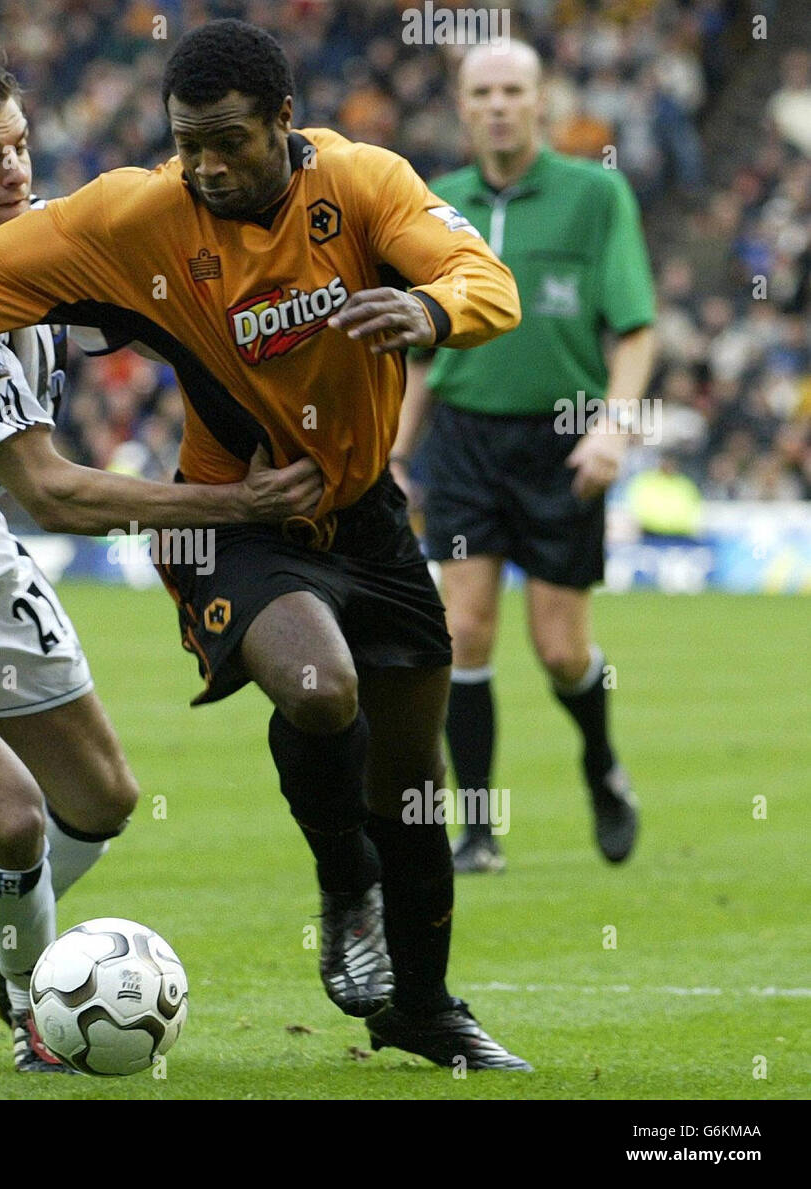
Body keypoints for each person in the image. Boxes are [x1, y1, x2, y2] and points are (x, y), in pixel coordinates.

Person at [0, 20, 532, 1069]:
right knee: (47, 800)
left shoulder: (348, 184)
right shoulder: (106, 228)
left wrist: (430, 309)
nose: (201, 166)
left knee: (140, 797)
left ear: (283, 124)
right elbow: (37, 472)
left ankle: (419, 1006)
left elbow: (483, 282)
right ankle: (43, 1012)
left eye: (17, 145)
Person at [389, 42, 657, 874]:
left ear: (542, 100)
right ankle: (477, 830)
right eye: (483, 92)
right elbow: (424, 351)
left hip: (560, 439)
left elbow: (636, 328)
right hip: (464, 439)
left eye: (514, 90)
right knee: (463, 631)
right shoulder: (438, 204)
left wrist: (611, 427)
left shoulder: (594, 192)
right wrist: (395, 453)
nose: (498, 104)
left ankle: (603, 770)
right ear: (463, 106)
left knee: (560, 650)